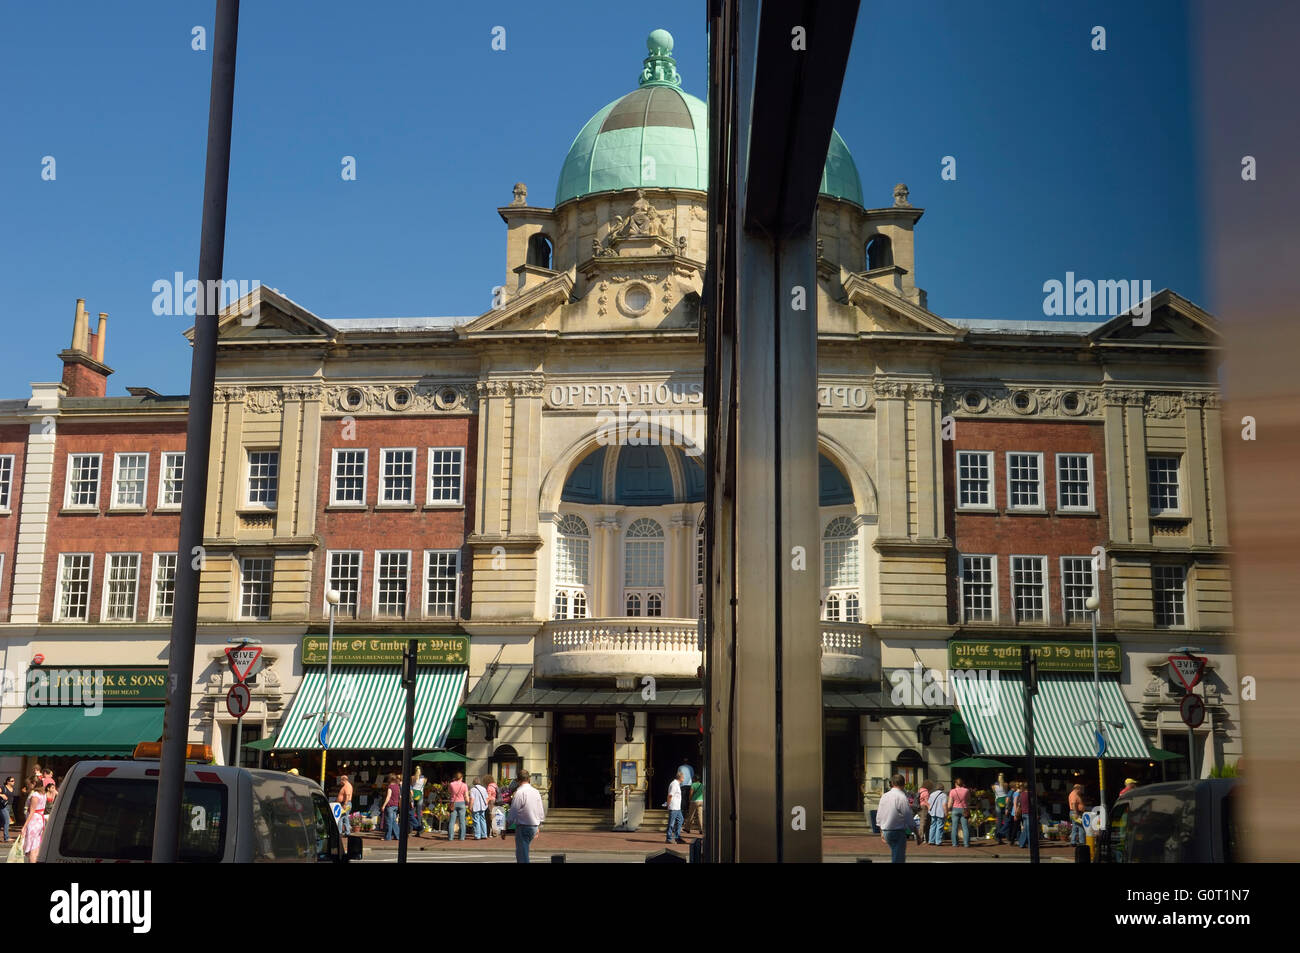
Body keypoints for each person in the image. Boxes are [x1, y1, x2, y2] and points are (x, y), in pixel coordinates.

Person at [506, 770, 545, 863]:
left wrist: (506, 826)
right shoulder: (536, 792)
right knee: (524, 851)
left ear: (518, 780)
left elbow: (513, 811)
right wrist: (539, 825)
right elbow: (540, 810)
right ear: (529, 779)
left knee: (522, 855)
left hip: (523, 826)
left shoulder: (519, 792)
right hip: (533, 826)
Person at [877, 774, 917, 863]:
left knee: (895, 853)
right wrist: (916, 833)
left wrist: (881, 831)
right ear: (904, 784)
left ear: (892, 783)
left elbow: (880, 814)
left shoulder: (885, 796)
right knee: (898, 857)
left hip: (886, 830)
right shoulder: (902, 797)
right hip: (897, 831)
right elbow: (908, 816)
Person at [21, 774, 46, 863]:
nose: (29, 786)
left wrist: (24, 826)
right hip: (39, 820)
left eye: (30, 784)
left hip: (34, 822)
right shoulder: (43, 794)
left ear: (34, 783)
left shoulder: (35, 794)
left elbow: (32, 811)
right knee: (35, 847)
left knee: (32, 849)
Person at [948, 776, 971, 847]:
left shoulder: (952, 791)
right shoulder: (966, 790)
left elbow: (950, 803)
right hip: (964, 809)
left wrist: (949, 809)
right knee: (965, 827)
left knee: (954, 827)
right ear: (962, 783)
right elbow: (968, 800)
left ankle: (955, 843)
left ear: (955, 784)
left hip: (955, 809)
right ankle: (966, 843)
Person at [447, 771, 469, 841]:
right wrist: (467, 803)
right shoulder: (464, 785)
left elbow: (449, 792)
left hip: (453, 803)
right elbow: (466, 796)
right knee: (462, 821)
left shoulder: (451, 784)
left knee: (452, 821)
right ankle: (462, 837)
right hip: (462, 803)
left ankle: (450, 837)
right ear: (461, 778)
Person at [664, 770, 685, 844]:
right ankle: (669, 838)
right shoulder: (674, 784)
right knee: (671, 822)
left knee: (680, 820)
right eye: (683, 777)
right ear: (680, 778)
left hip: (677, 807)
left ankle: (677, 836)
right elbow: (670, 795)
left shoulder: (677, 784)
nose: (684, 779)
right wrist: (668, 804)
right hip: (673, 806)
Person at [380, 773, 401, 841]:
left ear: (389, 779)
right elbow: (400, 796)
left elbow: (388, 797)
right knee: (394, 822)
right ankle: (398, 836)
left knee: (389, 822)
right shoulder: (397, 786)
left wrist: (383, 805)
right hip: (395, 805)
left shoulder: (390, 787)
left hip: (390, 806)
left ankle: (387, 837)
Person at [992, 773, 1008, 845]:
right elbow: (1006, 792)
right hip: (1005, 801)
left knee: (999, 820)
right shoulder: (1005, 785)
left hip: (998, 801)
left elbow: (995, 793)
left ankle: (998, 836)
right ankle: (1006, 835)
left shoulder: (993, 786)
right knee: (1006, 819)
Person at [915, 780, 930, 846]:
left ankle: (923, 837)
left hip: (919, 807)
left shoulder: (920, 790)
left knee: (923, 822)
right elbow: (927, 801)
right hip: (924, 807)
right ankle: (920, 837)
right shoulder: (926, 792)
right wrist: (930, 807)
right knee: (923, 822)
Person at [0, 777, 12, 843]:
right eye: (12, 781)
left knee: (1, 822)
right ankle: (6, 837)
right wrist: (1, 795)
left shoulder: (12, 788)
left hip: (9, 806)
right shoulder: (3, 787)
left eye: (14, 781)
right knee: (7, 821)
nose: (13, 782)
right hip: (3, 806)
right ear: (8, 781)